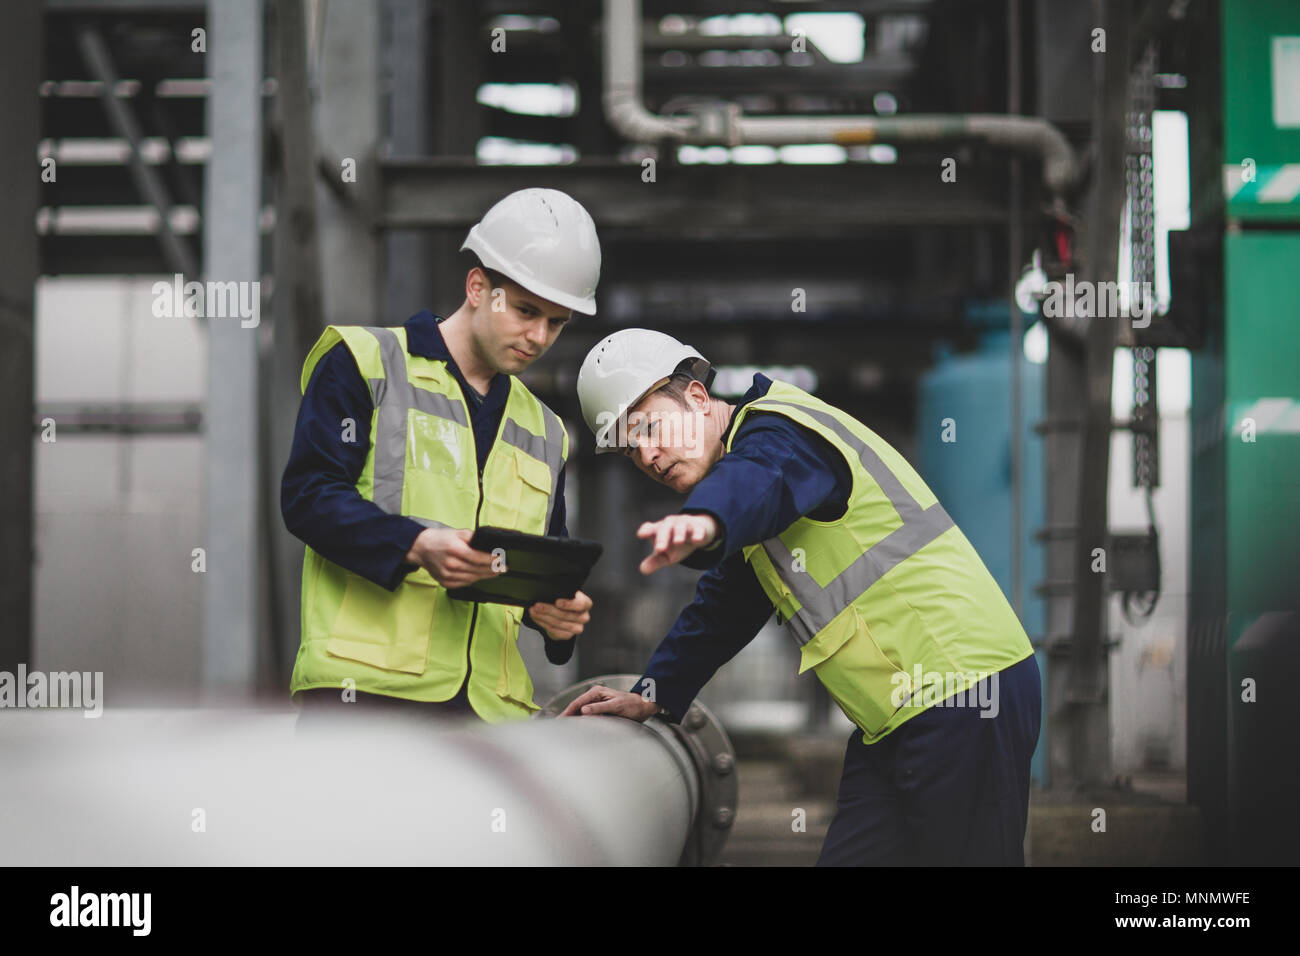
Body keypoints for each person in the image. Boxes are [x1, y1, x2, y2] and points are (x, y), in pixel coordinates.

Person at [562, 328, 1042, 865]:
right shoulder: (757, 493)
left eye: (651, 427)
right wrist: (653, 691)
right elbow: (725, 605)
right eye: (630, 447)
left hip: (964, 692)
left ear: (697, 397)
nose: (648, 455)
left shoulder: (780, 434)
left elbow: (758, 478)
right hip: (894, 720)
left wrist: (704, 520)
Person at [282, 188, 598, 725]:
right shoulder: (365, 363)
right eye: (525, 311)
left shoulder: (545, 428)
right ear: (478, 287)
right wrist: (415, 545)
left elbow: (542, 565)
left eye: (556, 321)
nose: (539, 336)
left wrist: (553, 615)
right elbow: (309, 497)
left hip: (488, 716)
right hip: (367, 698)